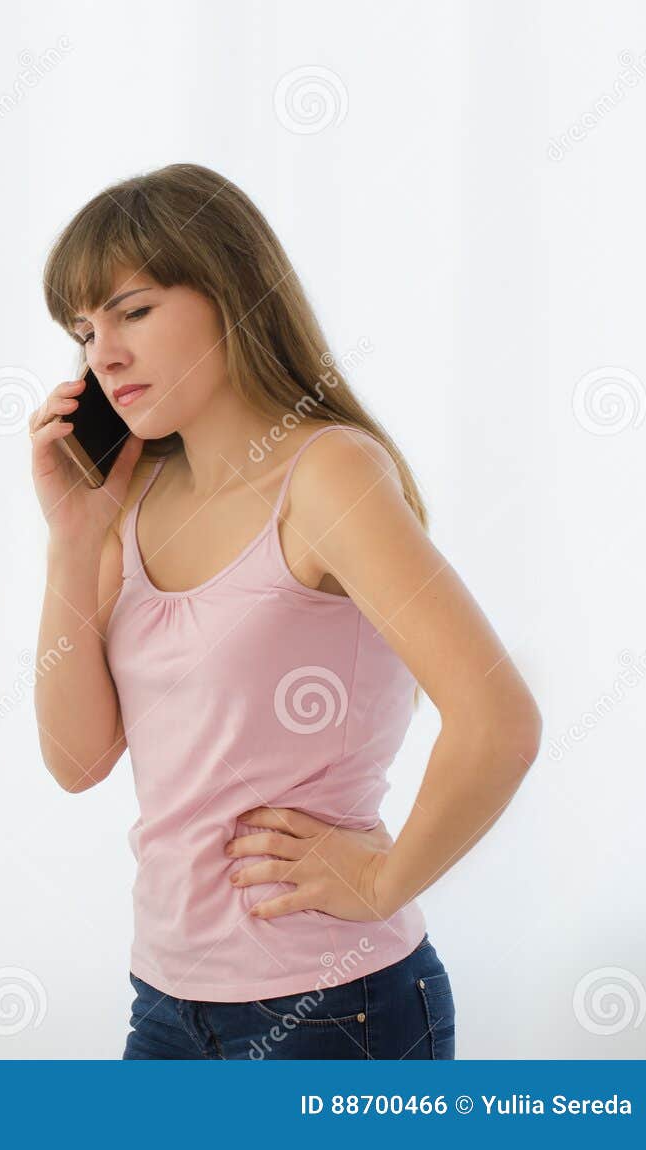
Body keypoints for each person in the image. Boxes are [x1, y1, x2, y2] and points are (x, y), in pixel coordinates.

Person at [28, 163, 541, 1059]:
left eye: (134, 311)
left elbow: (500, 721)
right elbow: (76, 761)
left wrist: (383, 882)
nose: (102, 353)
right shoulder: (133, 499)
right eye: (84, 328)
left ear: (232, 296)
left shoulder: (326, 475)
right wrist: (72, 543)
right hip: (166, 1003)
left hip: (335, 1011)